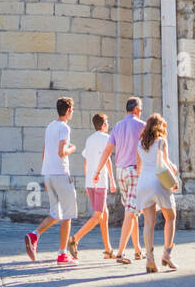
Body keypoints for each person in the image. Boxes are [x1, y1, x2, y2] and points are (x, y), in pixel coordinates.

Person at [90, 96, 146, 264]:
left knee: (132, 211)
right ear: (136, 109)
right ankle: (120, 253)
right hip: (134, 171)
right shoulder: (142, 126)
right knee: (130, 213)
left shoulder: (117, 127)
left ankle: (137, 250)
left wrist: (97, 171)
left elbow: (107, 151)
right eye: (140, 109)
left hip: (120, 172)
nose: (141, 112)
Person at [24, 96, 78, 265]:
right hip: (61, 173)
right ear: (68, 110)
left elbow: (45, 151)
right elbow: (61, 152)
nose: (73, 112)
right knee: (67, 215)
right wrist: (72, 149)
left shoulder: (50, 126)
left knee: (56, 214)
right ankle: (62, 254)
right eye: (72, 109)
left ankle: (34, 234)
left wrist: (46, 176)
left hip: (48, 173)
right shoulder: (64, 127)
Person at [68, 111, 116, 259]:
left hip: (90, 182)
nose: (108, 125)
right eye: (107, 123)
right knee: (97, 215)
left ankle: (108, 250)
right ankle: (74, 238)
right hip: (100, 182)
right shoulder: (107, 138)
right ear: (103, 125)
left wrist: (88, 177)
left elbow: (85, 160)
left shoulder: (89, 139)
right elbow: (107, 159)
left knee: (104, 214)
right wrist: (112, 180)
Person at [136, 113, 179, 273]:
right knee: (171, 217)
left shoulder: (140, 144)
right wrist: (173, 181)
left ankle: (150, 260)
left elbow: (139, 167)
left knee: (148, 223)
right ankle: (167, 254)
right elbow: (164, 163)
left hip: (143, 183)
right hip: (158, 181)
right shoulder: (161, 141)